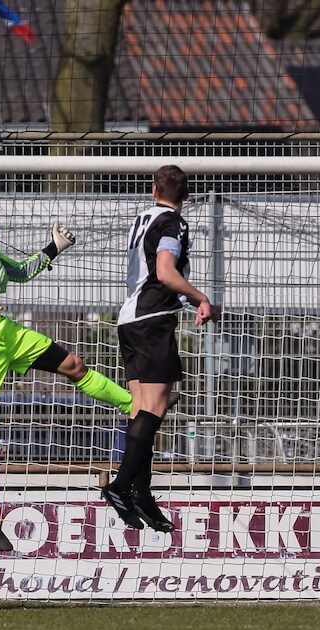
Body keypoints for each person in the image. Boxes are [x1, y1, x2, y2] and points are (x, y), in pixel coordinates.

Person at [0, 146, 132, 551]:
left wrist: (53, 248)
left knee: (74, 364)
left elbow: (20, 274)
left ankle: (132, 406)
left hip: (8, 331)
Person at [104, 165, 215, 532]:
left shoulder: (144, 218)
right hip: (152, 322)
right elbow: (165, 272)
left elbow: (151, 273)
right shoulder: (173, 223)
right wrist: (200, 297)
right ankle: (121, 487)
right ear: (185, 196)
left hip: (130, 320)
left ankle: (142, 495)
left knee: (142, 411)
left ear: (154, 190)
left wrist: (185, 302)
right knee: (155, 408)